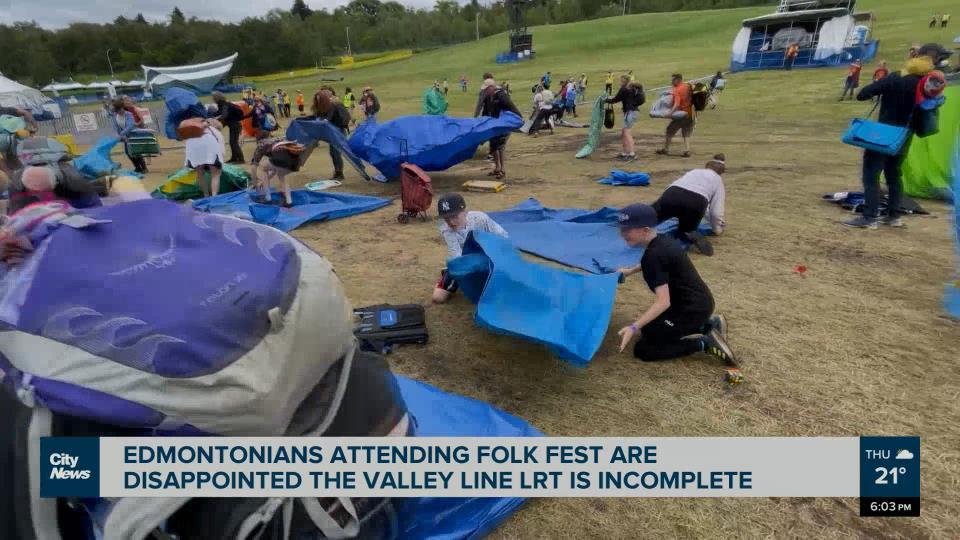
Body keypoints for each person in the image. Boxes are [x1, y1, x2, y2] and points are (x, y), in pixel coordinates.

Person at [614, 203, 738, 380]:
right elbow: (659, 264)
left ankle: (704, 344)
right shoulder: (661, 241)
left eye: (627, 230)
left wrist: (633, 327)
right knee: (650, 330)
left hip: (690, 308)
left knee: (644, 349)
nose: (622, 234)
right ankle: (709, 324)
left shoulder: (654, 255)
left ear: (644, 230)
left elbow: (663, 302)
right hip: (697, 302)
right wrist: (630, 271)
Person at [843, 43, 950, 229]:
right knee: (894, 175)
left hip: (882, 134)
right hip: (904, 136)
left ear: (917, 56)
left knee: (871, 175)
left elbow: (863, 94)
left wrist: (882, 88)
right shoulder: (927, 83)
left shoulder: (898, 77)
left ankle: (869, 217)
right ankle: (894, 216)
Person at [432, 193, 508, 304]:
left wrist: (497, 255)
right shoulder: (446, 229)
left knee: (498, 291)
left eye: (454, 216)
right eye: (446, 218)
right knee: (438, 298)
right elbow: (457, 257)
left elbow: (503, 236)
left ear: (465, 212)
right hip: (465, 264)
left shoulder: (480, 218)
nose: (451, 222)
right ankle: (446, 273)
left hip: (488, 258)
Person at [651, 155, 727, 256]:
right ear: (721, 172)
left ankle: (636, 225)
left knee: (649, 218)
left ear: (707, 166)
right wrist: (716, 229)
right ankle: (689, 231)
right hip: (694, 204)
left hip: (672, 195)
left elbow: (673, 185)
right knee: (686, 229)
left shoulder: (694, 172)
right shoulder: (718, 180)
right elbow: (715, 212)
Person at [478, 78, 521, 180]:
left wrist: (518, 118)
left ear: (491, 87)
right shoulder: (489, 97)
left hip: (503, 126)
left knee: (500, 147)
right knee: (493, 147)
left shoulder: (501, 95)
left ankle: (502, 169)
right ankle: (497, 168)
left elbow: (511, 107)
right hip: (494, 125)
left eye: (486, 89)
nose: (485, 91)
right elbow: (486, 111)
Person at [311, 89, 351, 181]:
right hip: (333, 132)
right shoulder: (327, 106)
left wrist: (319, 122)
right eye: (317, 99)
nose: (318, 101)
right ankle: (338, 172)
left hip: (338, 132)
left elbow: (327, 119)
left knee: (335, 153)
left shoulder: (333, 105)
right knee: (333, 153)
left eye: (319, 99)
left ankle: (339, 174)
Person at [184, 113, 226, 198]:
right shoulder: (215, 132)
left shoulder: (192, 131)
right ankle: (214, 197)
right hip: (209, 145)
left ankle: (205, 195)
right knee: (216, 174)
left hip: (194, 146)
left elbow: (188, 148)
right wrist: (221, 163)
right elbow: (221, 149)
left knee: (200, 174)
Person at [657, 74, 695, 158]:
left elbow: (677, 104)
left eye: (673, 80)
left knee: (670, 130)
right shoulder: (687, 86)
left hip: (682, 114)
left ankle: (666, 149)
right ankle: (687, 150)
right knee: (686, 131)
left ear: (678, 80)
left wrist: (670, 113)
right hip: (691, 113)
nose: (671, 82)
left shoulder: (677, 90)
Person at [606, 75, 642, 161]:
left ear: (624, 81)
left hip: (630, 112)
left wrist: (605, 100)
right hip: (633, 112)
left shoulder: (624, 89)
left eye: (621, 80)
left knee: (627, 133)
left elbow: (615, 99)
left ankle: (632, 154)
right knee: (624, 132)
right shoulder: (632, 89)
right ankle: (625, 153)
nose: (620, 82)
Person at [110, 98, 148, 174]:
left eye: (119, 110)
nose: (119, 112)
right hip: (124, 137)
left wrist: (121, 134)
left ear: (122, 108)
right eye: (117, 111)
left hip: (133, 135)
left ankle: (144, 168)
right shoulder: (115, 116)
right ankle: (137, 167)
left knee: (136, 152)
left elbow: (130, 126)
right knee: (128, 153)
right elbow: (116, 127)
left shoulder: (128, 114)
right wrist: (119, 135)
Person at [212, 91, 245, 163]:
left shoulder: (224, 104)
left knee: (234, 142)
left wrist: (215, 120)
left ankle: (241, 159)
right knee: (232, 142)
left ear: (217, 98)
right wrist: (211, 115)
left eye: (214, 98)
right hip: (233, 125)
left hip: (235, 125)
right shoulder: (222, 104)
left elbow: (224, 115)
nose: (213, 99)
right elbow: (219, 113)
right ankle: (234, 158)